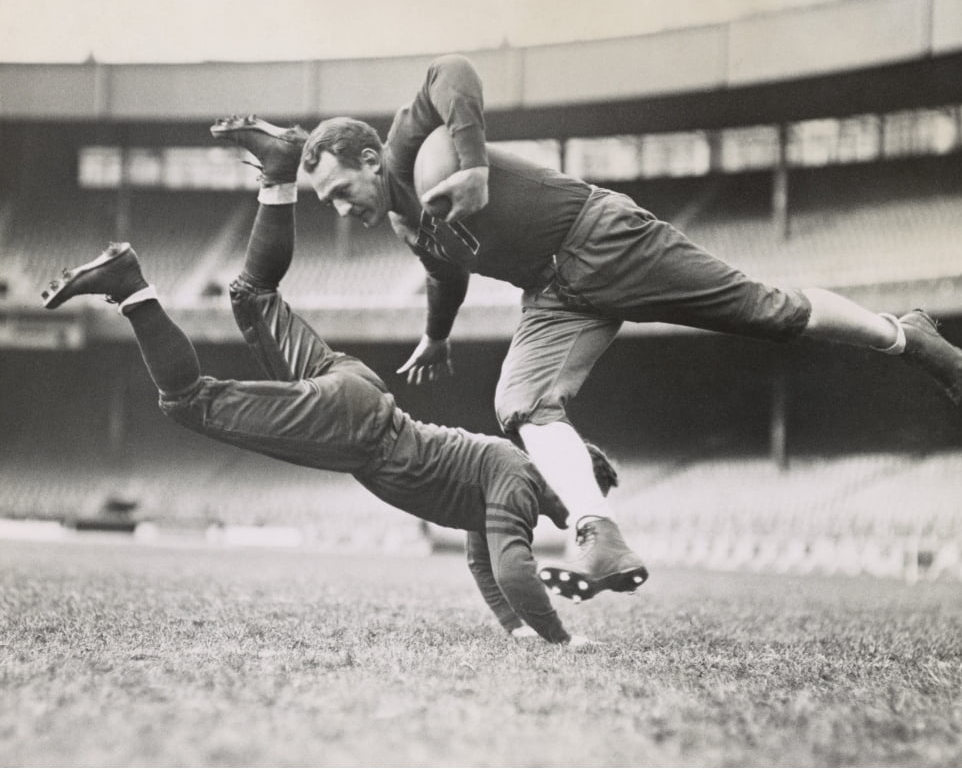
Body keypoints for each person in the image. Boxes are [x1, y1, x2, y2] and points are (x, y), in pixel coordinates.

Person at [286, 54, 962, 602]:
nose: (342, 209)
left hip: (602, 235)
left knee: (771, 313)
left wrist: (470, 167)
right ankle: (597, 533)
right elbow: (447, 274)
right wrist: (438, 334)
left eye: (341, 191)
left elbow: (452, 70)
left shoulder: (412, 147)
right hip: (554, 294)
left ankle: (903, 334)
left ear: (371, 161)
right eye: (328, 202)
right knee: (520, 404)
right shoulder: (408, 222)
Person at [39, 120, 625, 646]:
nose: (575, 518)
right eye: (581, 506)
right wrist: (557, 638)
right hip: (359, 430)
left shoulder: (507, 476)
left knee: (251, 296)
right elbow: (514, 568)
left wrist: (517, 628)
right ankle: (130, 286)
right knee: (190, 402)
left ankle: (278, 170)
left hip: (359, 393)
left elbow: (486, 564)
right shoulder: (520, 483)